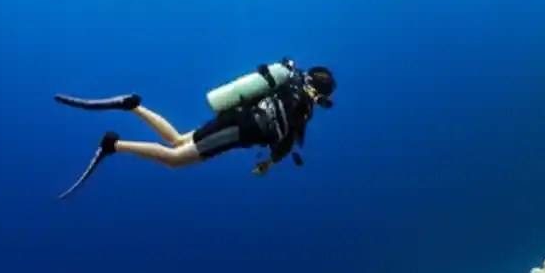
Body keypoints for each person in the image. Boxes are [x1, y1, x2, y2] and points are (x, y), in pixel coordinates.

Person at [54, 60, 337, 199]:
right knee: (175, 160)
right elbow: (287, 140)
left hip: (235, 118)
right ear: (322, 94)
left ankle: (132, 106)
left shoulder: (291, 82)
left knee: (177, 140)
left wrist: (270, 160)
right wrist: (269, 163)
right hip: (239, 131)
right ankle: (112, 145)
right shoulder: (303, 106)